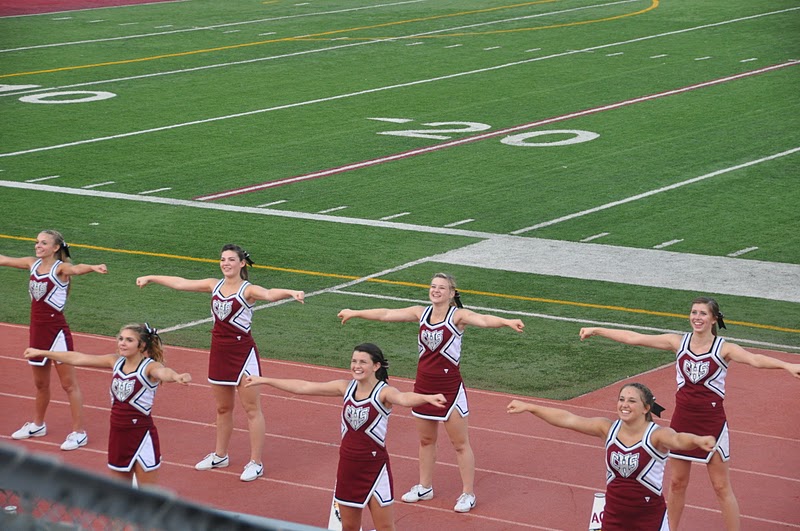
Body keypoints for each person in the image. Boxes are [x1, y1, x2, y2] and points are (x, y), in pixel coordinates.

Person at [579, 296, 800, 531]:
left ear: (714, 318)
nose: (697, 317)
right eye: (694, 312)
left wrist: (787, 366)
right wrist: (597, 329)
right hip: (682, 421)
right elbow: (635, 338)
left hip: (711, 423)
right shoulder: (678, 342)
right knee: (676, 483)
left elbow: (755, 360)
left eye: (703, 313)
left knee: (720, 487)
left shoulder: (723, 348)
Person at [337, 272, 525, 513]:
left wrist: (507, 321)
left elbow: (484, 319)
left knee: (460, 444)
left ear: (452, 293)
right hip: (423, 386)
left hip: (449, 390)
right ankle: (425, 487)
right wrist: (356, 312)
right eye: (433, 286)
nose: (435, 290)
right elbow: (386, 314)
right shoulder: (420, 313)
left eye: (441, 287)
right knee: (426, 441)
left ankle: (468, 493)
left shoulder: (458, 316)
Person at [136, 243, 304, 482]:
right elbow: (181, 282)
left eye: (231, 260)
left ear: (242, 263)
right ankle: (220, 455)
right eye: (223, 259)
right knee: (222, 408)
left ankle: (256, 462)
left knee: (251, 410)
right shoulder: (213, 285)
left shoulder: (248, 290)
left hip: (242, 354)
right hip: (219, 352)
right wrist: (151, 277)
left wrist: (291, 292)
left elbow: (269, 293)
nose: (226, 263)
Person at [245, 343, 446, 531]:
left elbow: (404, 398)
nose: (356, 366)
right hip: (348, 468)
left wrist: (426, 398)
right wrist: (265, 380)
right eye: (354, 361)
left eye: (362, 362)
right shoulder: (345, 387)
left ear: (376, 366)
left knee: (385, 527)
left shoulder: (383, 392)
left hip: (375, 469)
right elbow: (304, 387)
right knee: (349, 528)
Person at [507, 383, 716, 530]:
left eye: (632, 401)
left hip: (648, 519)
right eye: (622, 399)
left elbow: (678, 439)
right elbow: (568, 419)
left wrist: (697, 441)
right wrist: (530, 407)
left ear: (646, 408)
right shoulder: (607, 428)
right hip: (614, 516)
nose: (624, 404)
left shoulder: (656, 435)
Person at [24, 323, 191, 486]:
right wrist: (43, 352)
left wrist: (176, 376)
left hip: (142, 437)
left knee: (147, 498)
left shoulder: (149, 367)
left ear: (141, 346)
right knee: (119, 498)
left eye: (129, 340)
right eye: (121, 338)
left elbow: (163, 372)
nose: (122, 343)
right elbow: (78, 358)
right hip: (117, 436)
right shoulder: (115, 361)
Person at [1, 229, 108, 451]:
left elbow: (76, 269)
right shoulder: (31, 264)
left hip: (56, 333)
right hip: (36, 333)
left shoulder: (60, 269)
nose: (37, 246)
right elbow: (4, 259)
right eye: (37, 242)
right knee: (40, 384)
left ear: (55, 247)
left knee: (68, 385)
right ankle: (38, 425)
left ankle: (79, 432)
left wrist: (93, 267)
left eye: (43, 243)